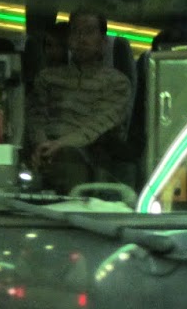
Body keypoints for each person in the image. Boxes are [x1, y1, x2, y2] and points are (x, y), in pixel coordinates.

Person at [26, 10, 133, 193]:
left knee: (67, 158)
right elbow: (36, 116)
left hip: (88, 155)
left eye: (89, 32)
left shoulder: (117, 82)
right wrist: (41, 144)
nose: (81, 39)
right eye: (76, 32)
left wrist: (59, 146)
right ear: (68, 39)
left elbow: (99, 125)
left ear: (103, 42)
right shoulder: (47, 78)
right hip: (43, 150)